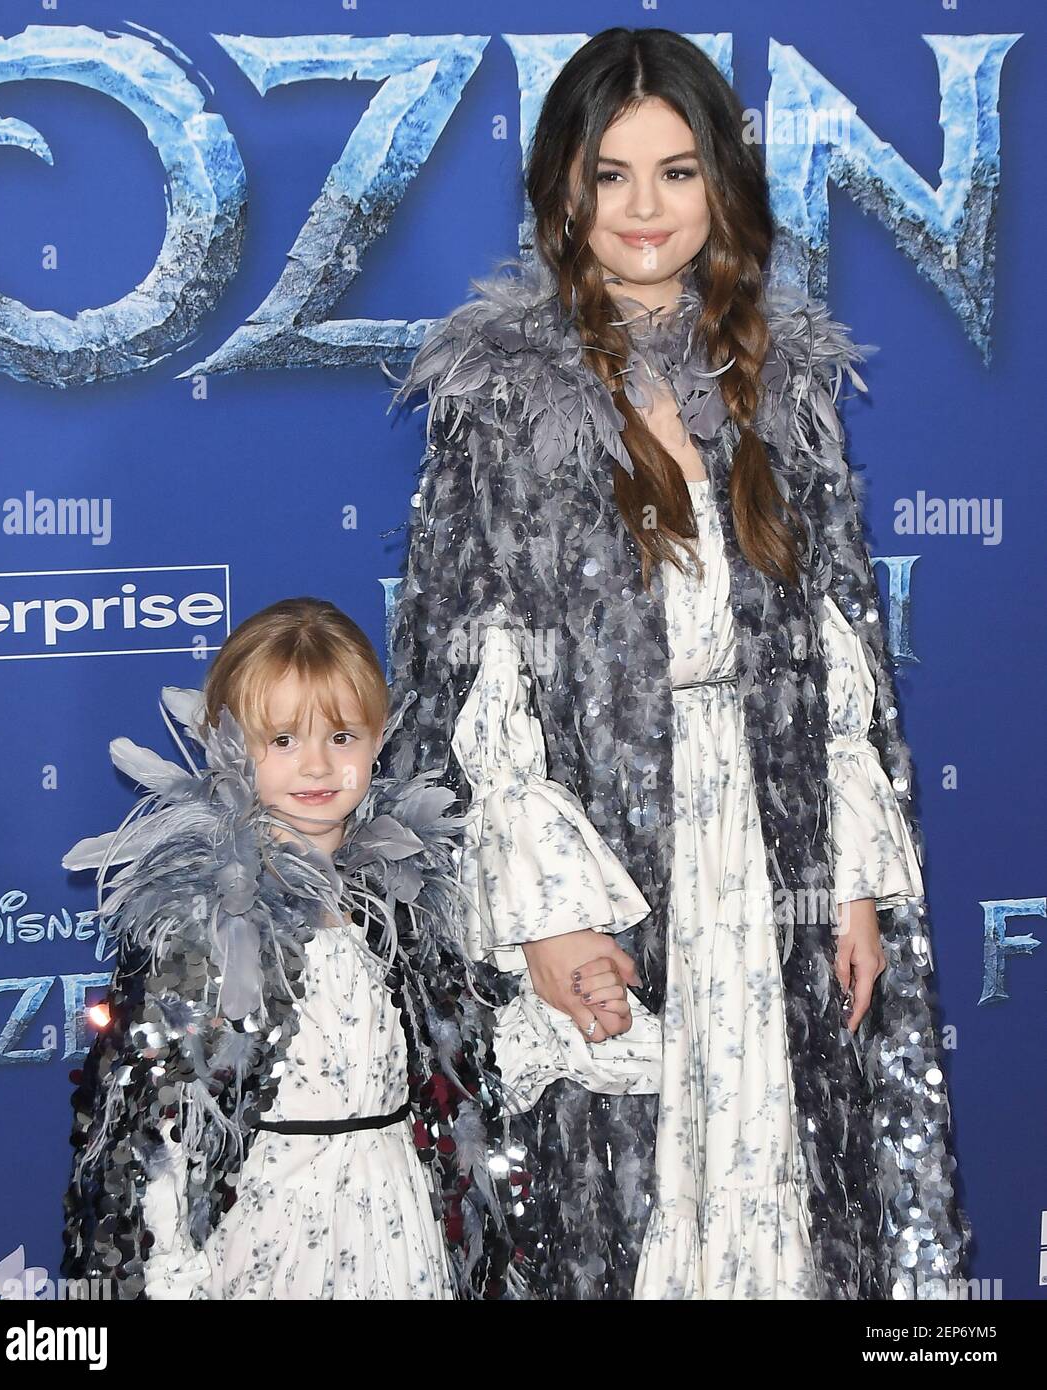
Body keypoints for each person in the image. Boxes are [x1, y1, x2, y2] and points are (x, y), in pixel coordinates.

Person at [382, 27, 971, 1299]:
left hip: (769, 845)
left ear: (721, 184)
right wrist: (548, 911)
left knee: (781, 1157)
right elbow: (476, 668)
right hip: (608, 852)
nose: (643, 208)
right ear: (560, 189)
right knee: (618, 1187)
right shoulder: (504, 397)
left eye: (675, 171)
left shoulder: (779, 380)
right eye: (609, 174)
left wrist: (849, 884)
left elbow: (833, 655)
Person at [60, 597, 530, 1300]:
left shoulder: (405, 904)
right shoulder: (201, 919)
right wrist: (169, 1268)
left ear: (378, 738)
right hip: (266, 1224)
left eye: (341, 736)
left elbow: (462, 1061)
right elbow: (158, 1118)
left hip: (392, 1219)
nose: (316, 764)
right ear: (227, 747)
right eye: (282, 740)